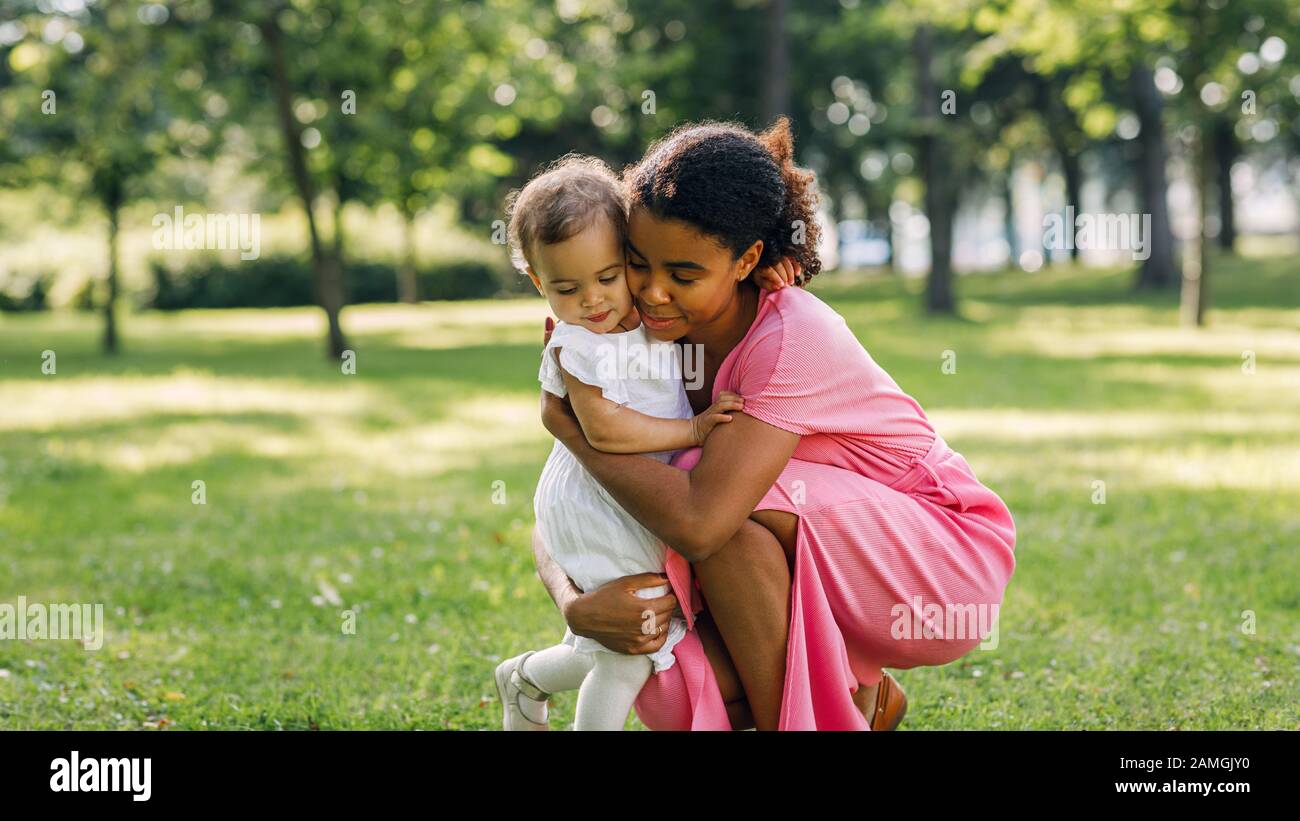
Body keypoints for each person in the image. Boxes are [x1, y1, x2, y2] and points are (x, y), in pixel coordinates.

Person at [533, 117, 1018, 730]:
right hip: (813, 536)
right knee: (671, 682)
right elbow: (562, 503)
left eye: (684, 275)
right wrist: (574, 605)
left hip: (939, 564)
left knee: (715, 499)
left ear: (749, 260)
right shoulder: (617, 334)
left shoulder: (791, 335)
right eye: (636, 264)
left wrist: (576, 432)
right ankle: (855, 696)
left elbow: (702, 524)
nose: (653, 293)